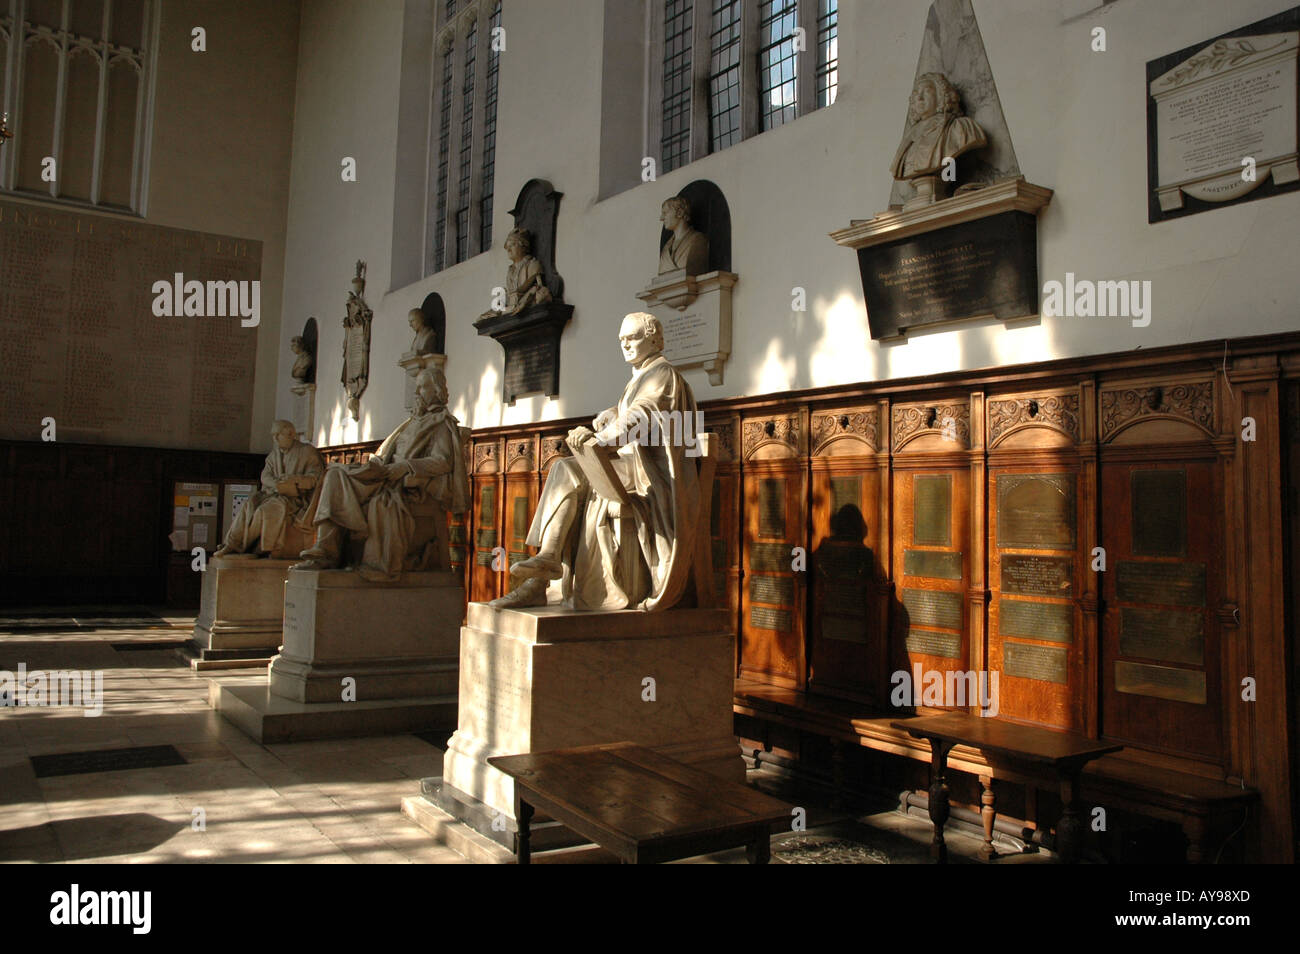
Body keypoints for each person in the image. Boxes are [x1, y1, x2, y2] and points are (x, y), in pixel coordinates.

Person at [492, 311, 706, 612]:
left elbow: (641, 416)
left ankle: (547, 563)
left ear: (654, 338)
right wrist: (607, 418)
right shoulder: (642, 377)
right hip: (628, 466)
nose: (626, 344)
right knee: (565, 470)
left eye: (633, 337)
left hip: (650, 477)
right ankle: (543, 572)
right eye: (621, 339)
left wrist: (601, 440)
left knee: (566, 468)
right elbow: (627, 413)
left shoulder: (663, 374)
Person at [293, 367, 469, 581]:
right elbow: (385, 452)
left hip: (402, 482)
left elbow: (442, 462)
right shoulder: (411, 423)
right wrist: (374, 464)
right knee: (334, 475)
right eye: (417, 388)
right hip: (384, 473)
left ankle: (343, 548)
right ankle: (324, 550)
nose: (417, 393)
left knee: (379, 503)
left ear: (437, 390)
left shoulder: (441, 423)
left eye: (422, 387)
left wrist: (405, 467)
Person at [214, 421, 324, 558]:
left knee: (264, 511)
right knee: (249, 504)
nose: (275, 439)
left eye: (278, 435)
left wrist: (294, 480)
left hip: (296, 500)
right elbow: (265, 476)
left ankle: (242, 547)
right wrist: (276, 484)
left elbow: (316, 479)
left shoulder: (307, 451)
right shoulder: (275, 454)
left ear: (291, 434)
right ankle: (232, 543)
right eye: (273, 436)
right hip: (274, 494)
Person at [890, 72, 986, 204]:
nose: (920, 98)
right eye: (916, 94)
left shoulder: (961, 128)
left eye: (927, 91)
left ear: (941, 96)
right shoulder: (908, 139)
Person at [481, 228, 552, 318]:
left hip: (522, 303)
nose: (509, 250)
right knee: (483, 317)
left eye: (513, 245)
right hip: (510, 305)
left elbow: (540, 289)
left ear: (523, 246)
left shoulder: (533, 265)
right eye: (508, 247)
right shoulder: (510, 270)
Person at [657, 196, 709, 277]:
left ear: (679, 213)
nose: (661, 218)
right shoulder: (666, 249)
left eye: (665, 213)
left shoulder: (697, 240)